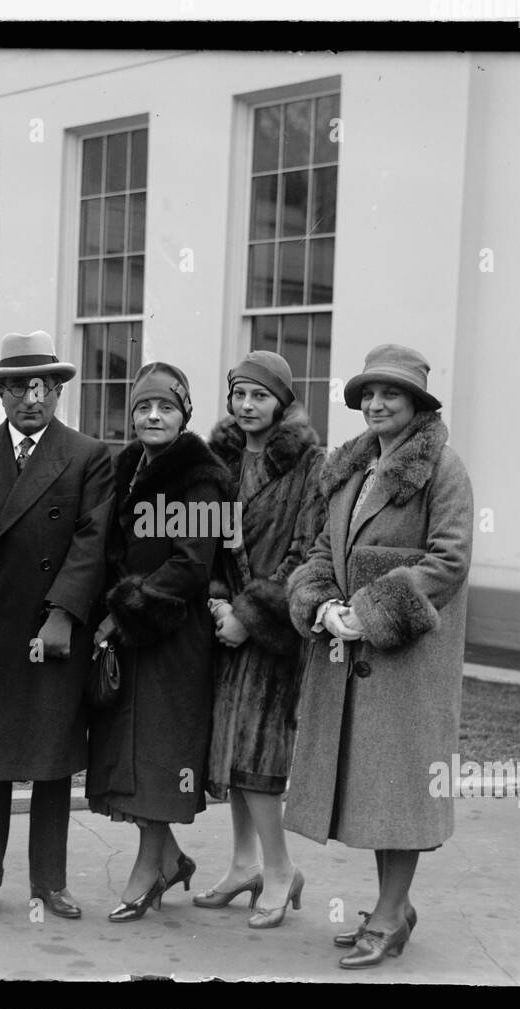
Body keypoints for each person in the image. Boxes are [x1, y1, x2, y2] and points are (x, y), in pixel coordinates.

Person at [286, 344, 473, 968]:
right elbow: (320, 549)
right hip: (353, 663)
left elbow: (448, 562)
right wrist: (319, 606)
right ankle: (392, 906)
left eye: (391, 394)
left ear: (417, 404)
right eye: (368, 393)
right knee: (374, 791)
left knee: (398, 790)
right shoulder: (347, 470)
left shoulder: (442, 469)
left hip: (408, 665)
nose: (376, 404)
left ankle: (391, 914)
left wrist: (366, 614)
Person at [0, 330, 114, 922]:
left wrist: (63, 615)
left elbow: (92, 543)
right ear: (1, 393)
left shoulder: (88, 455)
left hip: (50, 632)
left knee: (51, 761)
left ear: (58, 390)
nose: (30, 397)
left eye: (43, 385)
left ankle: (50, 882)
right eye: (17, 386)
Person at [87, 362, 233, 922]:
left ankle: (147, 873)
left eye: (166, 407)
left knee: (157, 755)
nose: (153, 416)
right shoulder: (128, 468)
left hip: (175, 639)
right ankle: (170, 859)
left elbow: (192, 565)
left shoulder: (202, 476)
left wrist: (123, 612)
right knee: (129, 753)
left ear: (184, 415)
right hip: (129, 634)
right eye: (144, 406)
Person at [197, 351, 326, 929]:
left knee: (260, 755)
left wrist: (251, 614)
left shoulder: (310, 464)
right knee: (230, 750)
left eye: (260, 396)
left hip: (275, 629)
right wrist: (220, 600)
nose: (247, 407)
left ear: (282, 401)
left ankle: (280, 871)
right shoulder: (218, 458)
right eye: (239, 395)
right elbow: (209, 538)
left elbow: (307, 550)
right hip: (226, 625)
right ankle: (244, 863)